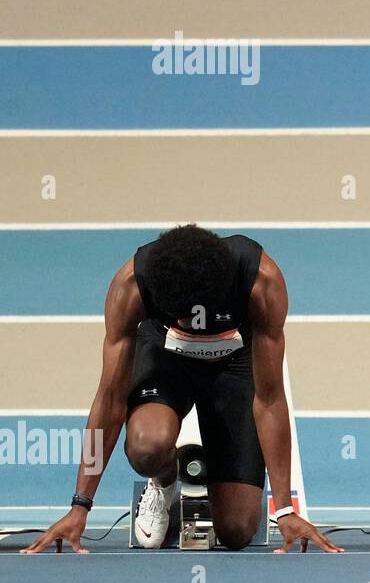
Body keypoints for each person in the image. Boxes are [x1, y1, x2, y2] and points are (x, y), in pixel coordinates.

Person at [22, 224, 340, 554]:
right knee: (148, 445)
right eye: (179, 315)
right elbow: (109, 399)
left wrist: (286, 508)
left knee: (236, 530)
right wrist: (80, 505)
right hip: (165, 357)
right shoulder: (132, 284)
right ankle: (164, 484)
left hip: (234, 364)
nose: (188, 324)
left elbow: (270, 399)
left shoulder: (260, 280)